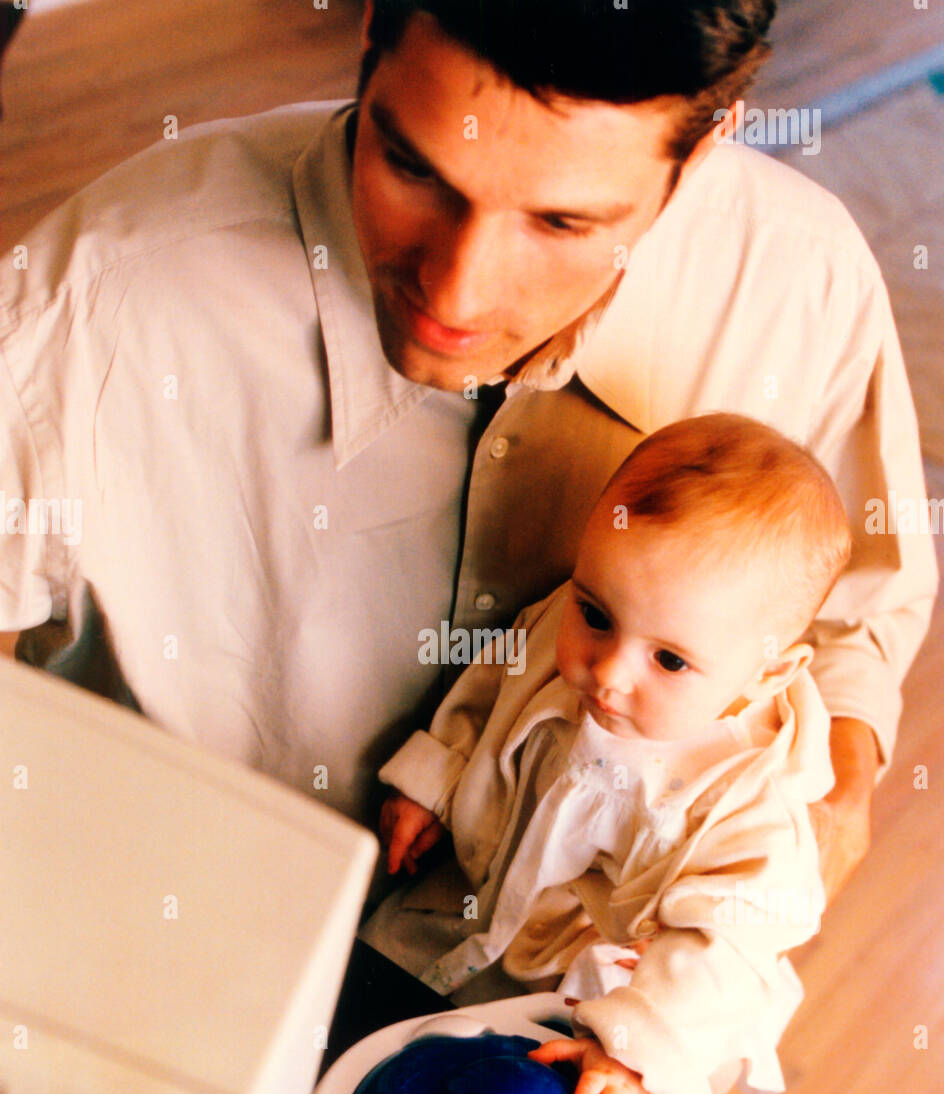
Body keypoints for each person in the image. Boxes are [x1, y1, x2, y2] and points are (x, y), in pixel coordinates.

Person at [0, 1, 936, 895]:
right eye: (413, 169)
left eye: (561, 223)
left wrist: (834, 794)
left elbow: (853, 611)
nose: (454, 297)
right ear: (372, 27)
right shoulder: (91, 301)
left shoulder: (800, 282)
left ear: (700, 155)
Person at [374, 414, 854, 1094]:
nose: (608, 671)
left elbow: (725, 948)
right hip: (473, 901)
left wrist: (636, 1049)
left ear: (766, 675)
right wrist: (436, 779)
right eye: (595, 614)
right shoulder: (568, 632)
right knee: (373, 1017)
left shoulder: (750, 810)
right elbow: (492, 686)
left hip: (604, 995)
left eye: (669, 659)